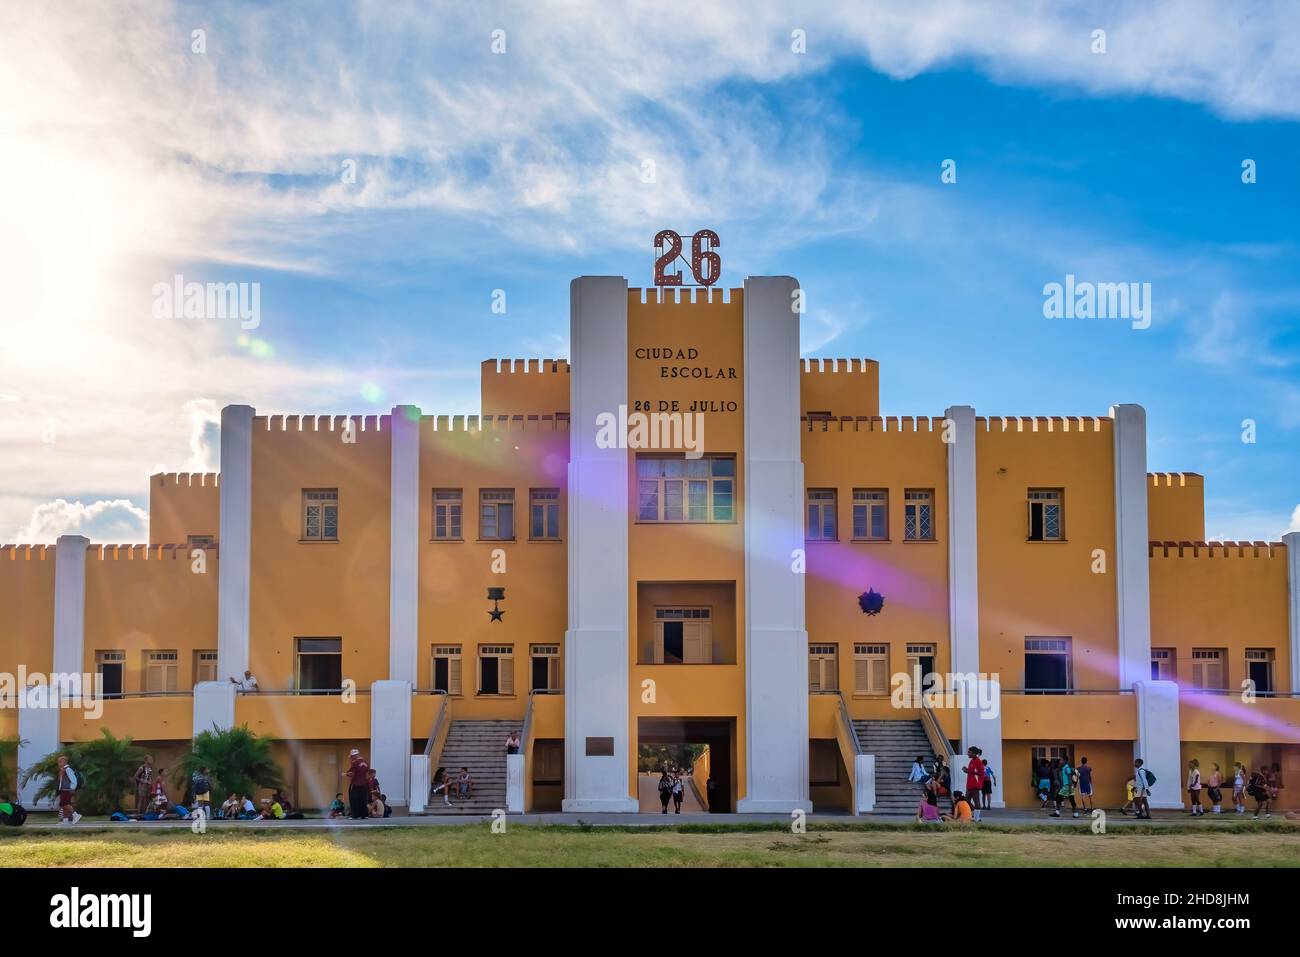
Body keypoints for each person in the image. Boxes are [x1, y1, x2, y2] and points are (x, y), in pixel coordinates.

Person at [343, 749, 370, 819]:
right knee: (363, 800)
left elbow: (352, 774)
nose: (351, 758)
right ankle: (364, 815)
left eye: (352, 756)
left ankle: (355, 815)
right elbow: (367, 773)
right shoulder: (365, 762)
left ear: (355, 755)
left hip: (356, 784)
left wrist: (345, 774)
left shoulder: (355, 762)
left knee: (354, 800)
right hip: (364, 784)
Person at [56, 755, 81, 825]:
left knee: (64, 804)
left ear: (65, 762)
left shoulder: (68, 769)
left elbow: (74, 780)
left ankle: (76, 815)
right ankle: (65, 820)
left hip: (67, 789)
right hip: (63, 789)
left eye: (60, 762)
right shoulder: (63, 770)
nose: (59, 764)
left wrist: (72, 788)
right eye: (58, 762)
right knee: (64, 804)